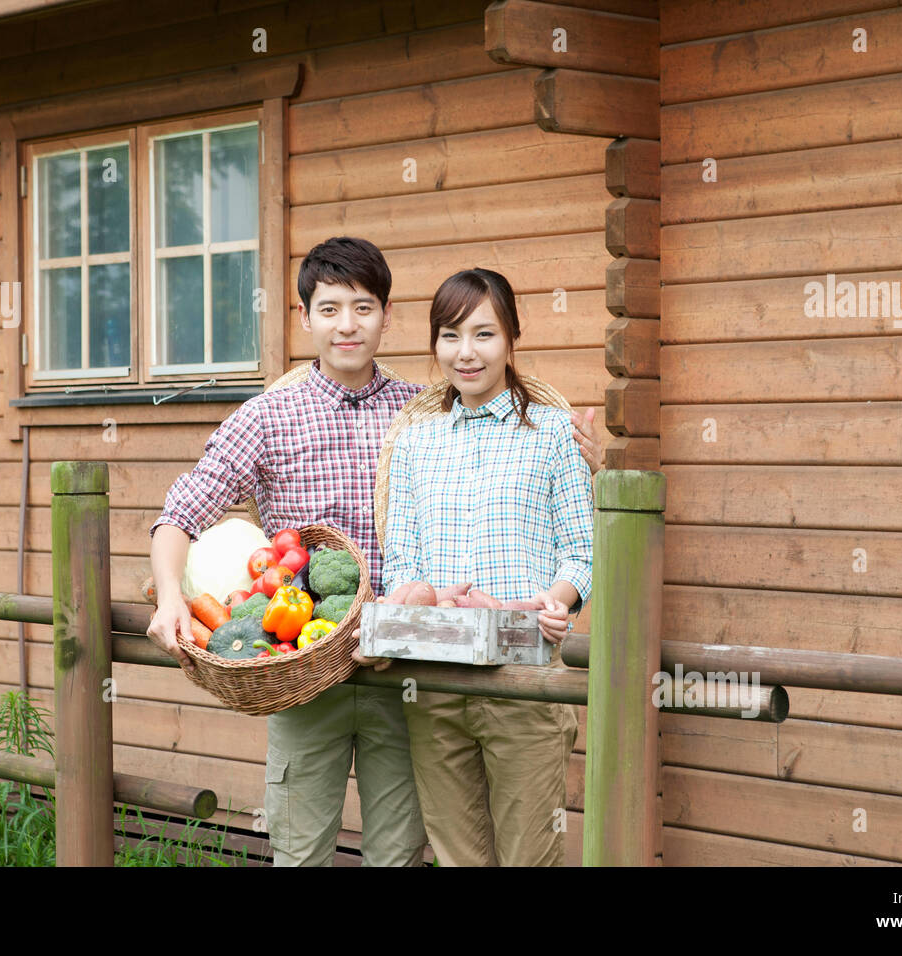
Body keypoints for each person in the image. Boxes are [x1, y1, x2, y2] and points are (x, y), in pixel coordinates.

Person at [146, 237, 601, 867]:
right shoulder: (269, 416)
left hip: (407, 674)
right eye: (329, 309)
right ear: (305, 318)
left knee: (404, 855)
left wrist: (593, 461)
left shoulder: (422, 411)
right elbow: (181, 513)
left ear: (387, 316)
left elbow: (564, 509)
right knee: (301, 852)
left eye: (363, 307)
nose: (347, 325)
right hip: (306, 675)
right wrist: (171, 597)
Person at [371, 267, 593, 867]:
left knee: (529, 854)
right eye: (449, 335)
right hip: (434, 675)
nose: (465, 353)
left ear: (512, 338)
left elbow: (581, 549)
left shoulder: (553, 434)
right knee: (456, 855)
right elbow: (404, 558)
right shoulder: (416, 441)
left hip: (525, 675)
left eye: (483, 334)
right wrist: (430, 597)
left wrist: (559, 600)